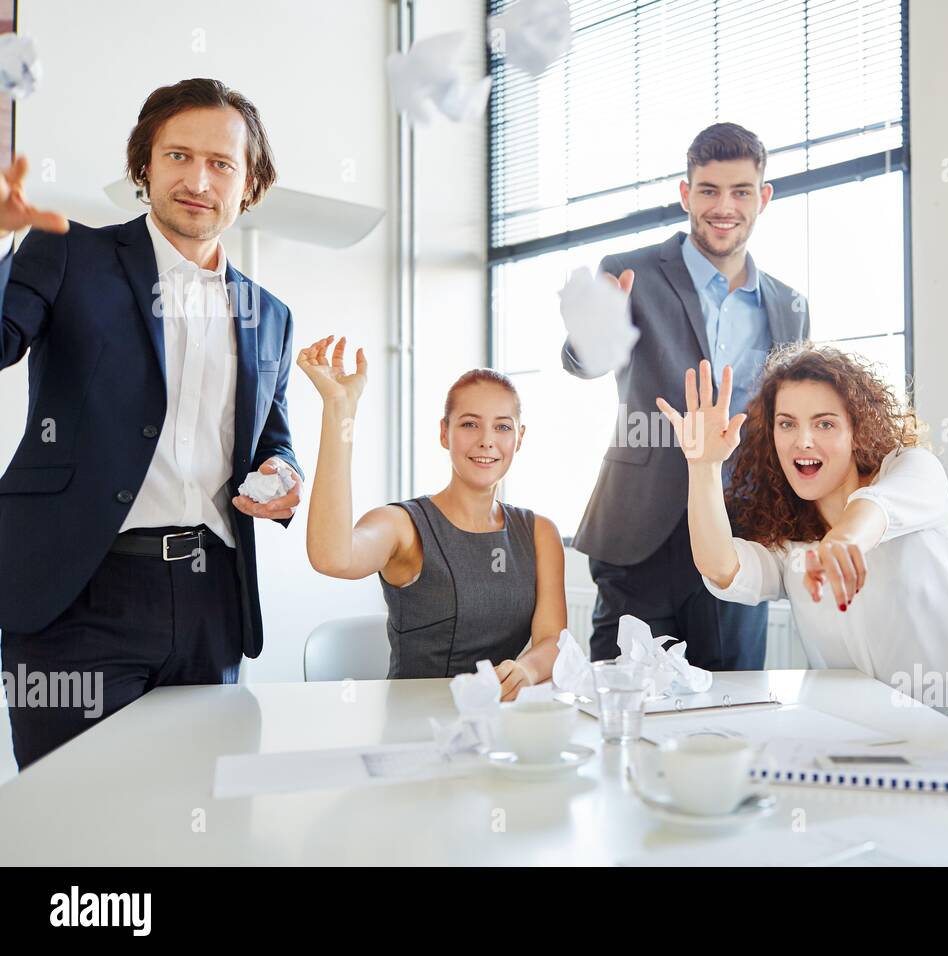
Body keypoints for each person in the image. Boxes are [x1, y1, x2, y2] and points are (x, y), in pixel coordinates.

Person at [0, 79, 302, 769]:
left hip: (211, 602)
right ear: (145, 163)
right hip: (77, 594)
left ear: (249, 183)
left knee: (200, 810)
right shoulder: (67, 254)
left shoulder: (270, 315)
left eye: (221, 163)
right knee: (75, 813)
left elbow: (273, 439)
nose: (198, 180)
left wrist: (283, 474)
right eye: (178, 156)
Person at [657, 344, 948, 743]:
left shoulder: (913, 469)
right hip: (861, 733)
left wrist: (842, 541)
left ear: (856, 430)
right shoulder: (787, 540)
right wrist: (703, 467)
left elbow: (874, 509)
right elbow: (722, 567)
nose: (803, 441)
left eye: (825, 424)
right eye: (787, 424)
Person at [561, 122, 809, 670]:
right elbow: (586, 361)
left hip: (736, 536)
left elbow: (793, 419)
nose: (724, 207)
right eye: (709, 190)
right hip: (637, 530)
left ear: (763, 197)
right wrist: (591, 334)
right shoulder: (630, 273)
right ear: (685, 194)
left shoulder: (789, 306)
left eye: (741, 191)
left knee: (733, 703)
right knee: (624, 698)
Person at [300, 338, 563, 699]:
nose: (487, 440)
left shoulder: (538, 533)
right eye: (469, 424)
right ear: (444, 433)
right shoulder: (403, 525)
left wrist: (526, 670)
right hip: (414, 725)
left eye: (503, 427)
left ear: (519, 438)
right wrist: (339, 408)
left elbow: (552, 639)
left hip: (498, 724)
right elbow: (332, 557)